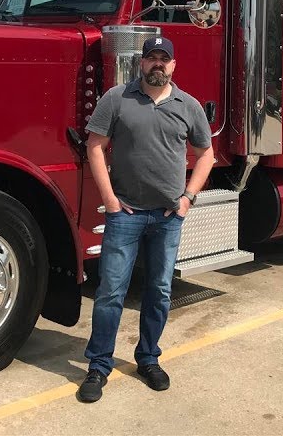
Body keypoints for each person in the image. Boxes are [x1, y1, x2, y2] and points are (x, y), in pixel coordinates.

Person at [77, 35, 215, 403]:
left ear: (173, 66)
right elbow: (94, 145)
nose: (157, 64)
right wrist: (109, 200)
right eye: (151, 58)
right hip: (126, 214)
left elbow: (206, 155)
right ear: (141, 63)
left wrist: (187, 198)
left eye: (163, 59)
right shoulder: (117, 98)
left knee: (159, 291)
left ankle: (148, 358)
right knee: (110, 293)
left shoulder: (188, 105)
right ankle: (99, 366)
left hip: (169, 217)